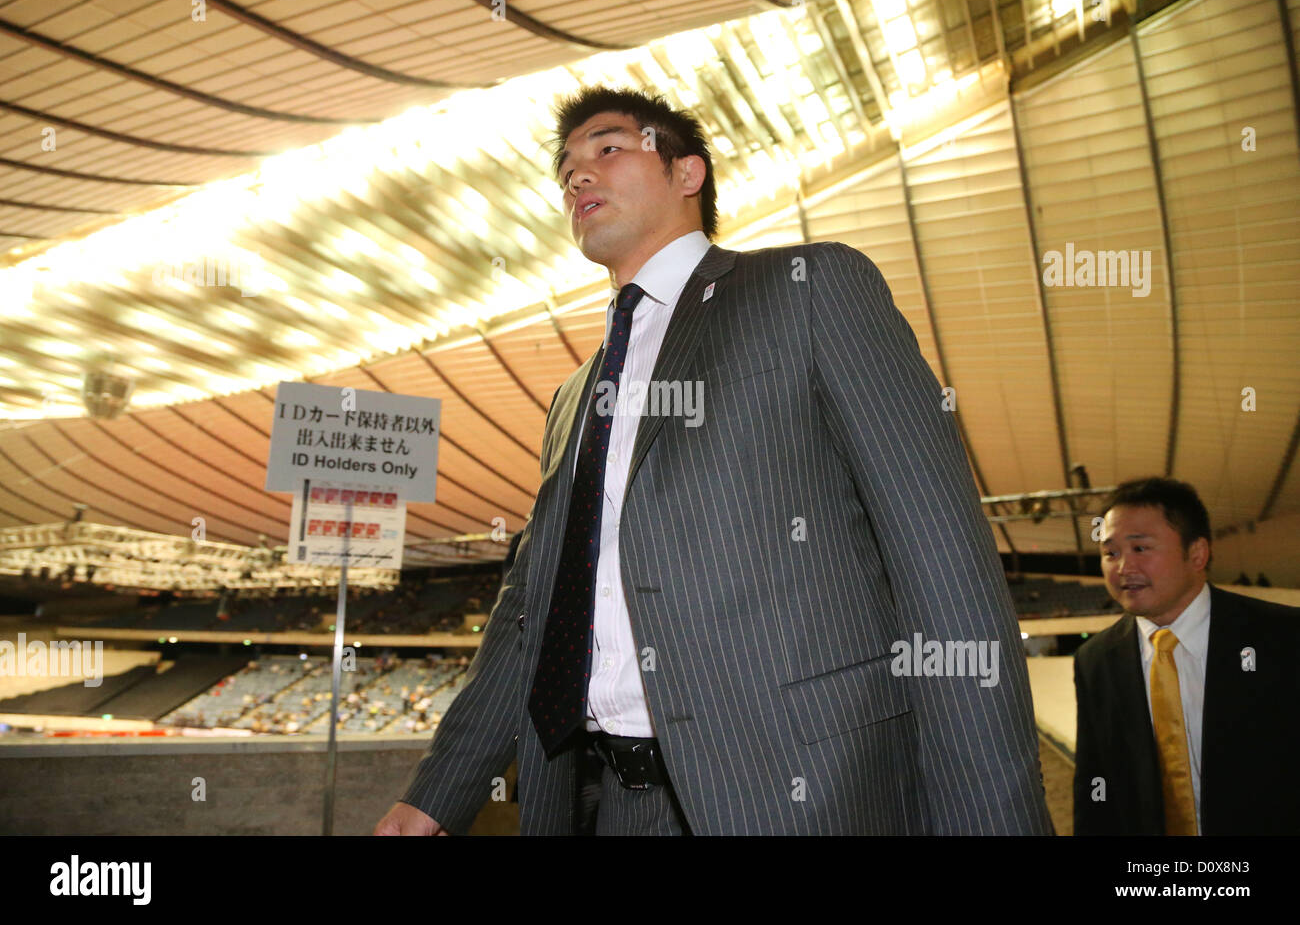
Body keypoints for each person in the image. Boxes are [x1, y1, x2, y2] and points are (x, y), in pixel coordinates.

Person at [375, 86, 1052, 836]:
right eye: (565, 171)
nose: (577, 177)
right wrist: (437, 793)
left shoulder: (807, 289)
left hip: (808, 796)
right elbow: (532, 611)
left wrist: (996, 818)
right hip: (614, 803)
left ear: (687, 172)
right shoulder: (574, 398)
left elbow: (942, 555)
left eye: (607, 149)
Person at [1073, 477, 1300, 834]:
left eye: (1140, 548)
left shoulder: (1283, 637)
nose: (1123, 568)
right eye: (1110, 553)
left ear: (1197, 554)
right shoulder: (1095, 660)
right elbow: (1095, 782)